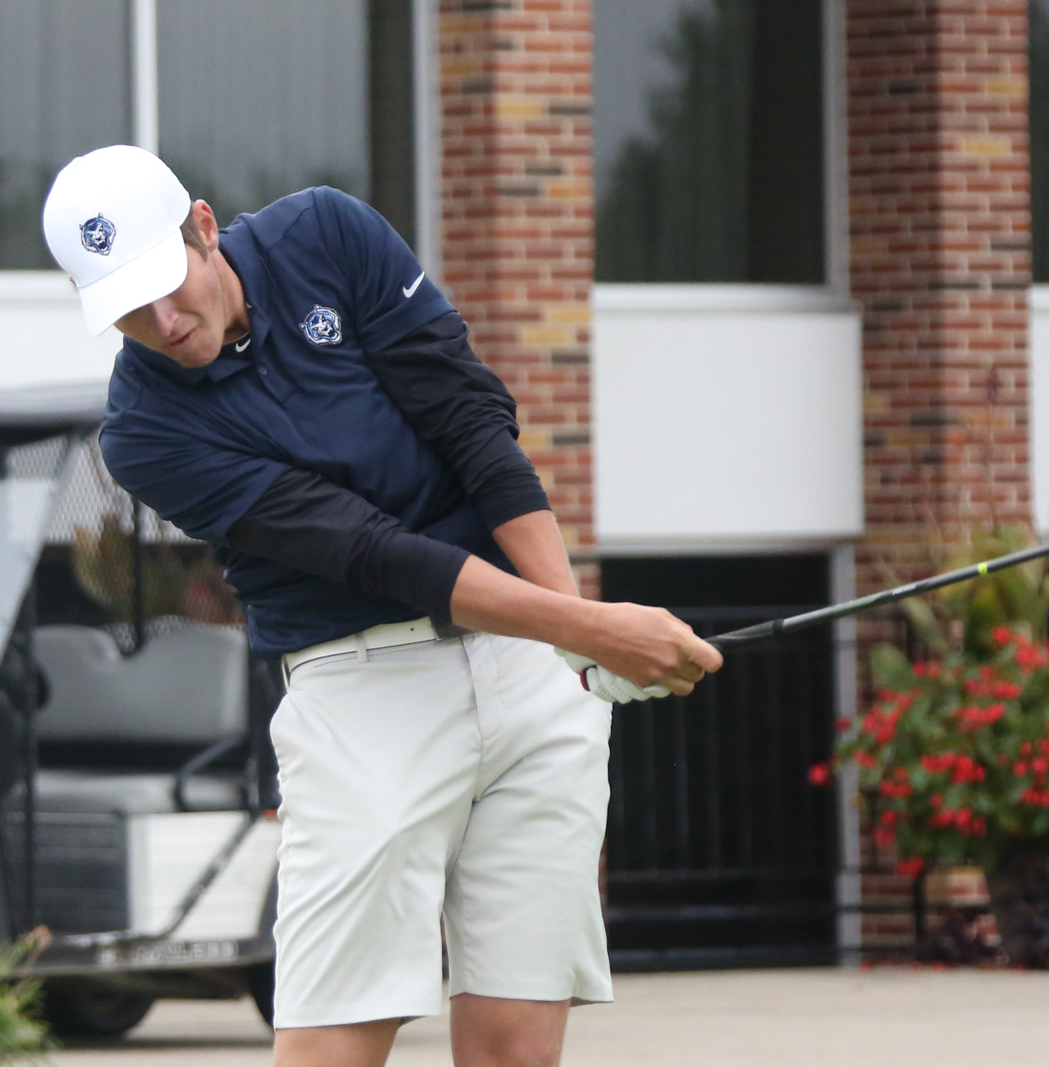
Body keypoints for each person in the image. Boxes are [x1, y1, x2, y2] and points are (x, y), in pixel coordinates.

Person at [42, 145, 721, 1067]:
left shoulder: (327, 233)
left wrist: (575, 648)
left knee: (518, 1052)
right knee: (333, 1045)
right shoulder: (144, 434)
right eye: (126, 308)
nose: (162, 321)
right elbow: (368, 549)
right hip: (361, 690)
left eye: (168, 283)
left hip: (528, 664)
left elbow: (470, 425)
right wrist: (591, 629)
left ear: (204, 227)